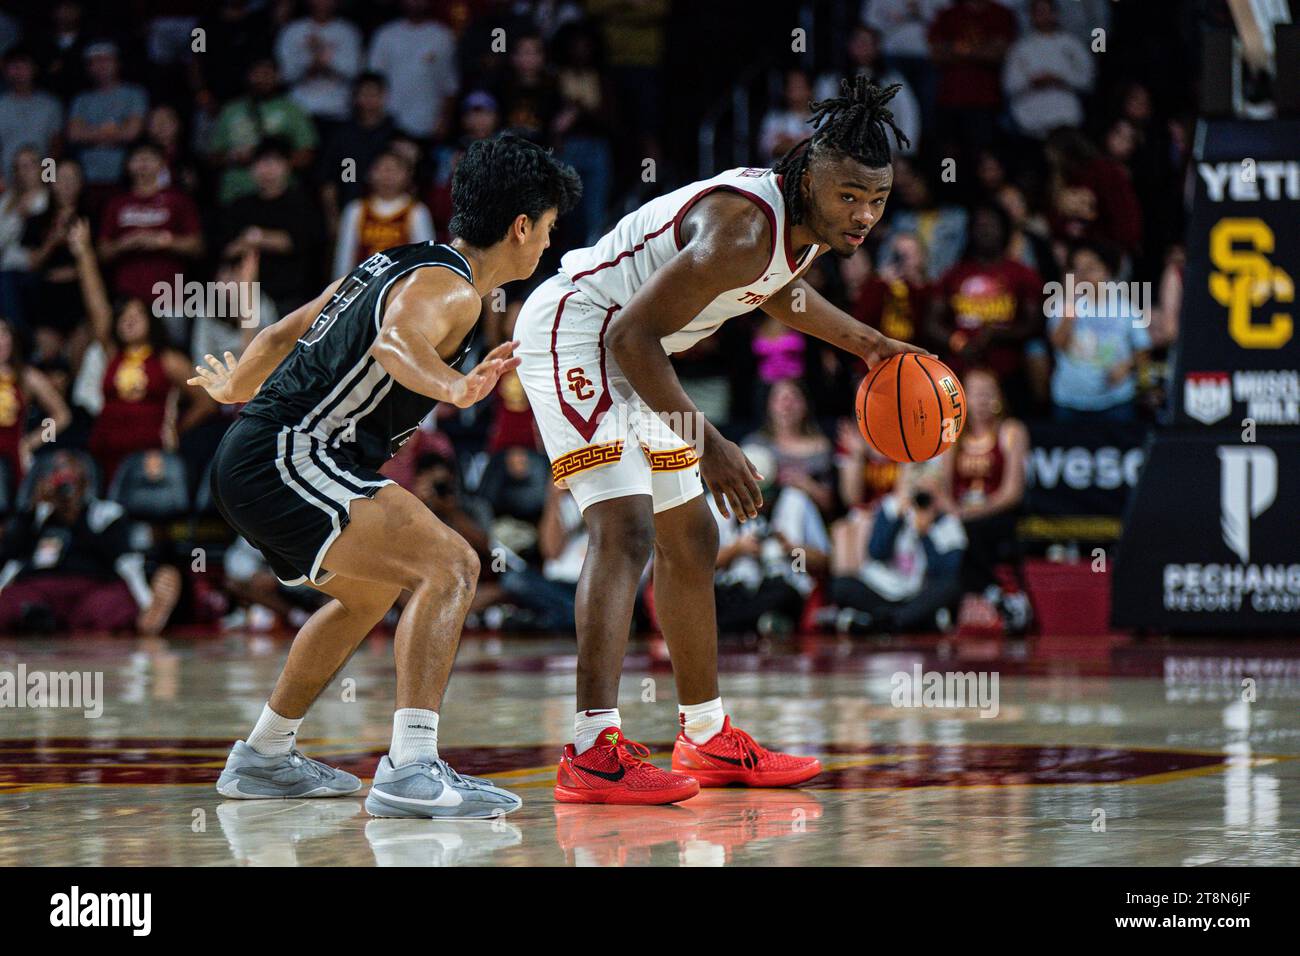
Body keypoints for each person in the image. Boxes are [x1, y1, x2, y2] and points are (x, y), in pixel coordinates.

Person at [514, 76, 925, 804]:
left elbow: (776, 290)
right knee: (625, 528)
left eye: (877, 200)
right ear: (808, 178)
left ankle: (705, 737)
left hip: (636, 354)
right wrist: (709, 440)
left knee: (693, 537)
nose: (863, 216)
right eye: (850, 196)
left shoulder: (802, 231)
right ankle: (589, 750)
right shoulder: (741, 226)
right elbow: (632, 336)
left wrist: (867, 344)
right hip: (581, 331)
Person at [188, 133, 580, 818]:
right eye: (547, 230)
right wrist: (454, 388)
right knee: (453, 565)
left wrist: (234, 388)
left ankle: (264, 756)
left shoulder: (390, 261)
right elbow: (394, 343)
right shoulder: (453, 294)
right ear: (521, 227)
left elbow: (285, 333)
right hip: (291, 455)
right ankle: (411, 768)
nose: (547, 246)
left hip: (258, 454)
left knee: (368, 596)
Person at [69, 219, 213, 485]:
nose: (129, 320)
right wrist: (84, 254)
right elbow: (97, 307)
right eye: (123, 316)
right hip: (104, 450)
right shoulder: (114, 355)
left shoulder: (168, 360)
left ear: (151, 321)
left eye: (137, 315)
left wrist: (178, 428)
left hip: (150, 455)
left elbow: (207, 401)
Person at [0, 451, 178, 635]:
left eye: (69, 474)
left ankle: (148, 619)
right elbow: (11, 552)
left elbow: (119, 559)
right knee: (9, 605)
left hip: (89, 587)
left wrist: (74, 516)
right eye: (57, 473)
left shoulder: (106, 513)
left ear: (84, 481)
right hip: (40, 587)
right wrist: (32, 508)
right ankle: (39, 621)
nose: (64, 483)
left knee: (112, 605)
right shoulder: (36, 516)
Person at [935, 367, 1032, 633]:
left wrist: (971, 512)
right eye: (974, 394)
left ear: (999, 398)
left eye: (987, 394)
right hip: (960, 514)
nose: (981, 401)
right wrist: (952, 510)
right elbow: (941, 487)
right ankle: (991, 595)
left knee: (971, 532)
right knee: (941, 533)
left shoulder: (1011, 431)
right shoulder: (952, 433)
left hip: (996, 513)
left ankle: (989, 596)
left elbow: (1012, 492)